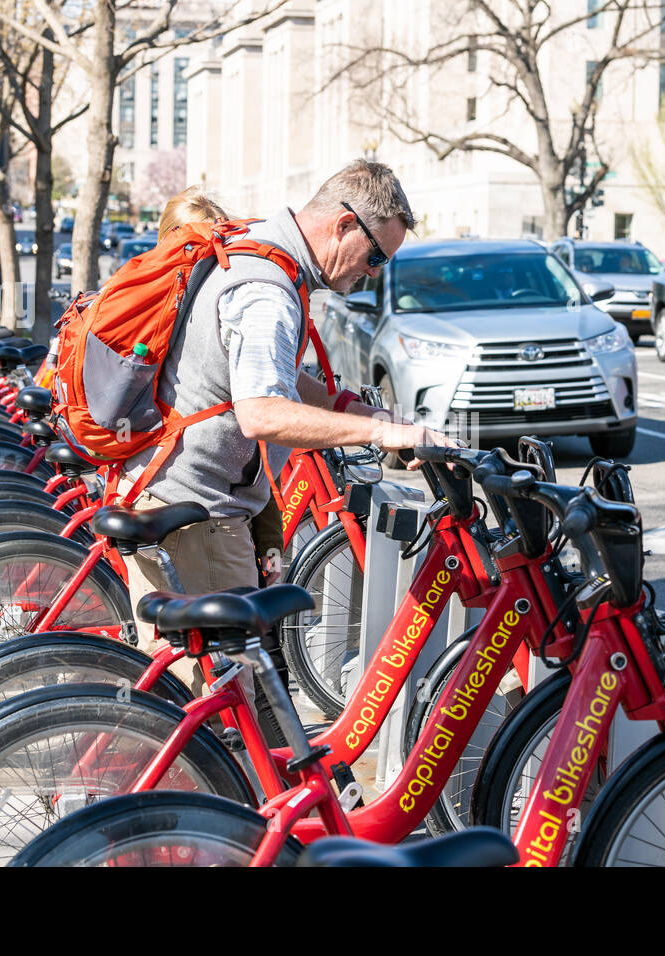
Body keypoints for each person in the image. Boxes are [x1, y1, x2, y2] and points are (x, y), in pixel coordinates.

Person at [121, 160, 457, 695]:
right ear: (344, 225)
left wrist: (361, 410)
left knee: (181, 697)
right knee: (222, 707)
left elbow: (277, 379)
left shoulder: (257, 250)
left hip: (172, 497)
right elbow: (261, 411)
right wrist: (378, 435)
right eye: (376, 257)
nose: (373, 273)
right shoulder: (267, 290)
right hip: (200, 516)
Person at [155, 186, 285, 587]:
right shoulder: (214, 301)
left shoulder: (158, 305)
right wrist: (271, 543)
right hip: (199, 508)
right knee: (233, 645)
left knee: (165, 643)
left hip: (146, 485)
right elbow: (245, 444)